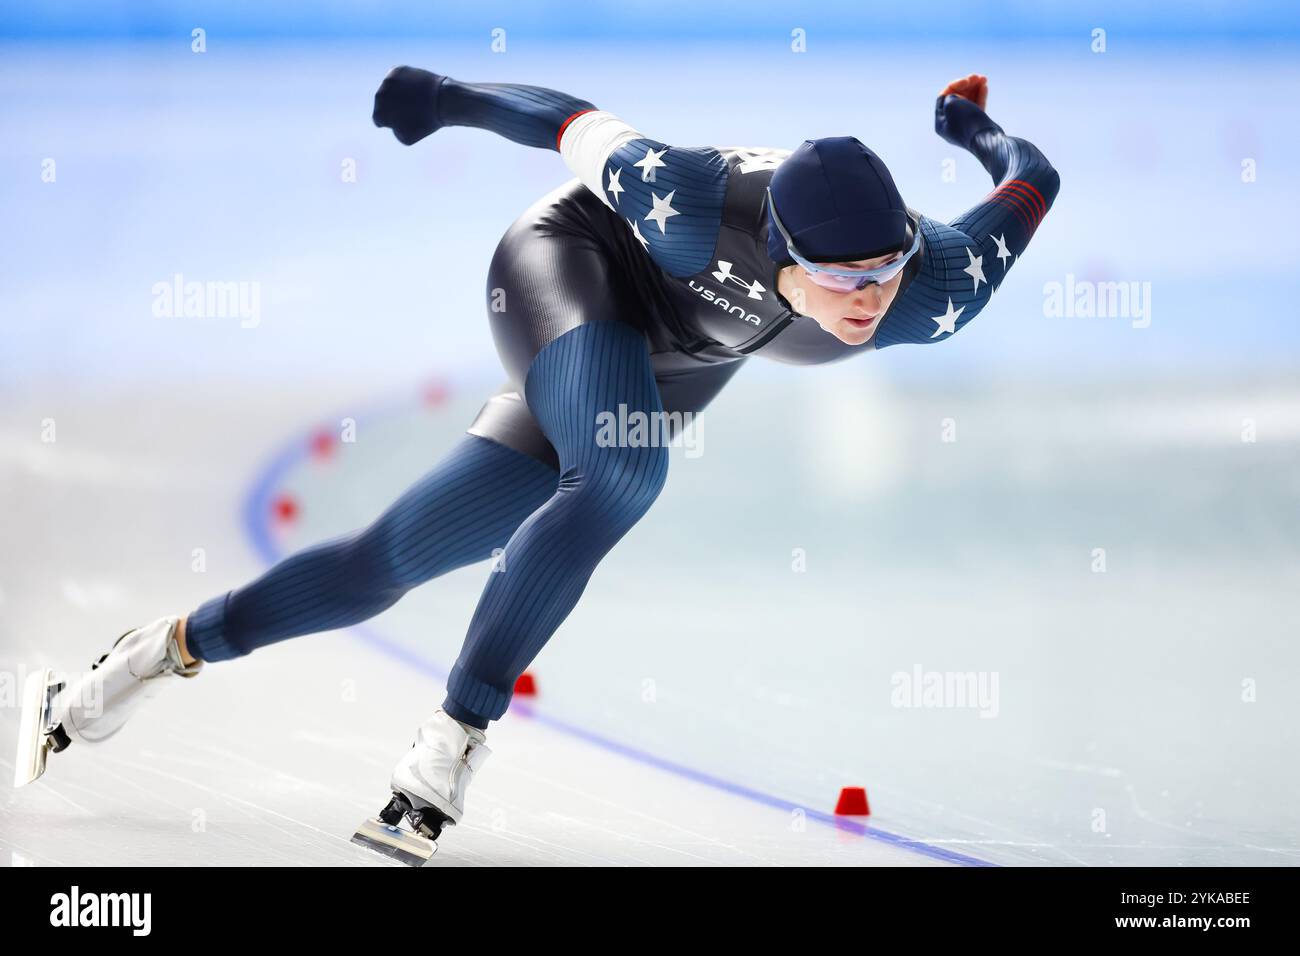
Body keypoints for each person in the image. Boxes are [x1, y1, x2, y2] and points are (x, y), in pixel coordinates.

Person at [15, 69, 1059, 854]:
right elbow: (566, 122)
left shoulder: (939, 286)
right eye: (842, 276)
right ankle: (451, 739)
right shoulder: (683, 199)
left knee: (386, 559)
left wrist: (972, 129)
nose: (870, 296)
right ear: (780, 249)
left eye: (884, 269)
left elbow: (1034, 177)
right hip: (573, 266)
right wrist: (447, 99)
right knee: (621, 469)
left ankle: (148, 655)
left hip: (679, 357)